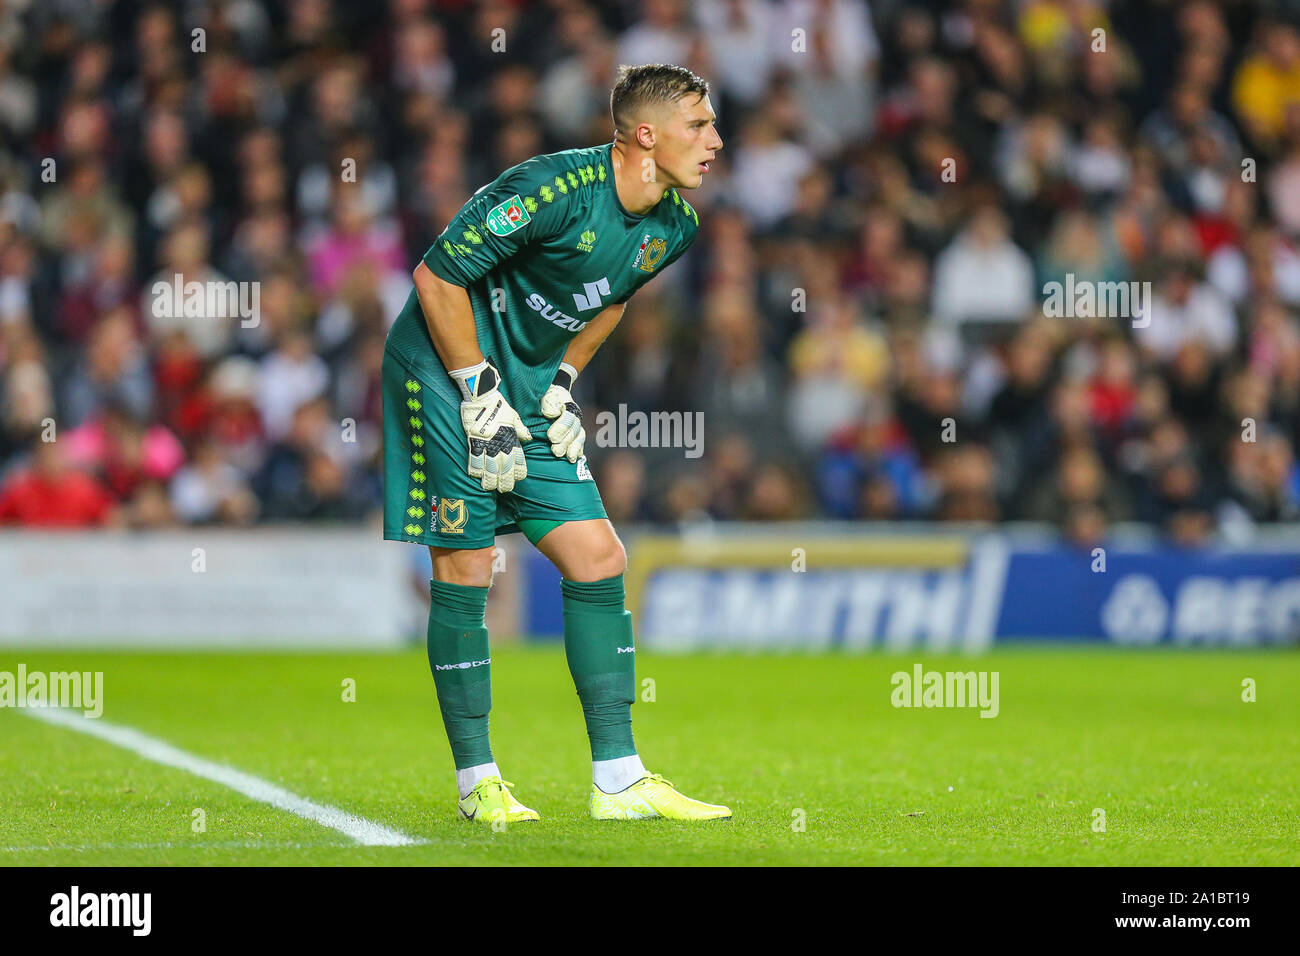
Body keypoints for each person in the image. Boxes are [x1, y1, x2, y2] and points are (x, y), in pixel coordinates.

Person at [381, 63, 730, 824]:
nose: (716, 141)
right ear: (646, 135)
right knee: (468, 562)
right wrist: (476, 387)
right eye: (699, 126)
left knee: (600, 558)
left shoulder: (676, 224)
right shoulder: (549, 190)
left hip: (529, 382)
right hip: (445, 366)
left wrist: (564, 380)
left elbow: (611, 299)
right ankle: (480, 784)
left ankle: (619, 779)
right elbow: (436, 279)